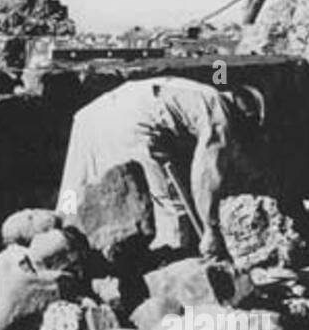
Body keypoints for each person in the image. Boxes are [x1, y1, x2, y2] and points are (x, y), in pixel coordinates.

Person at [56, 76, 265, 260]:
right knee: (170, 215)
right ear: (246, 115)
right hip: (131, 124)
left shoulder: (197, 93)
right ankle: (173, 275)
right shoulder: (219, 109)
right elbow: (205, 175)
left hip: (93, 115)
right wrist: (210, 230)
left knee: (73, 191)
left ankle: (56, 240)